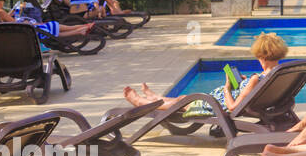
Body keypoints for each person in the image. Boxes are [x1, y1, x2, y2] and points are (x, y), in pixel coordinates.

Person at [121, 31, 290, 120]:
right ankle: (155, 97)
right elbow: (252, 92)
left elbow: (232, 107)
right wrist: (243, 84)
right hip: (219, 101)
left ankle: (142, 102)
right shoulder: (277, 74)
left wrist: (227, 88)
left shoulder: (256, 79)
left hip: (217, 105)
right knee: (184, 97)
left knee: (182, 102)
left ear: (262, 57)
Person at [0, 0, 100, 39]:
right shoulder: (0, 11)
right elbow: (14, 23)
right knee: (53, 26)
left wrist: (12, 13)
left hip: (20, 33)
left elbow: (6, 22)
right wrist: (25, 21)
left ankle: (81, 29)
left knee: (53, 30)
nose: (3, 3)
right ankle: (82, 28)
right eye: (2, 1)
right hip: (25, 31)